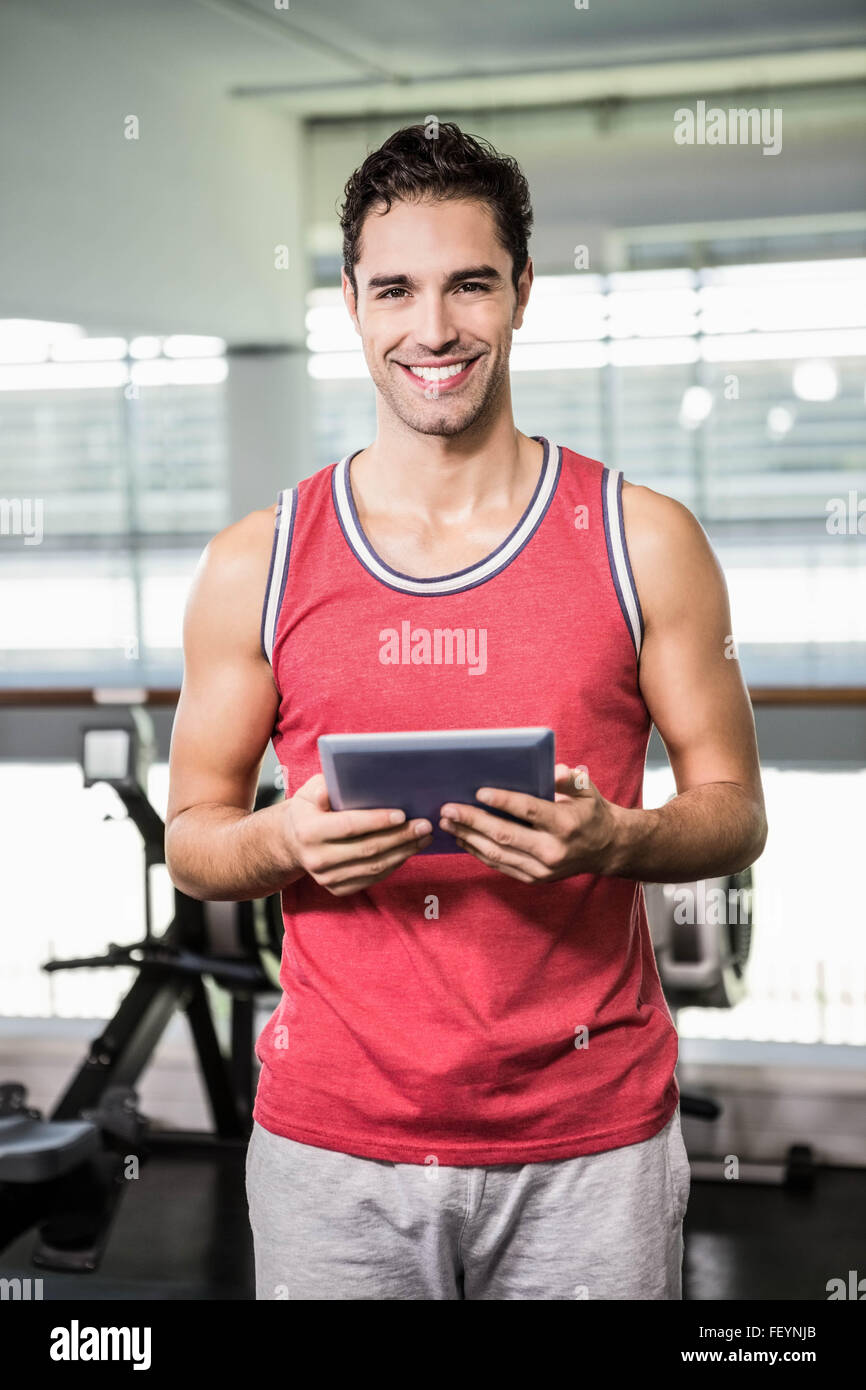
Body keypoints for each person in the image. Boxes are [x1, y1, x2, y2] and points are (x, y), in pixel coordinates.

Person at [164, 122, 767, 1301]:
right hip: (334, 1151)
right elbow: (194, 837)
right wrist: (282, 839)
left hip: (591, 1151)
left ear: (522, 291)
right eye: (394, 288)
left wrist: (621, 841)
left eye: (467, 284)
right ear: (348, 301)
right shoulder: (260, 562)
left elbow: (734, 810)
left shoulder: (644, 541)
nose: (431, 328)